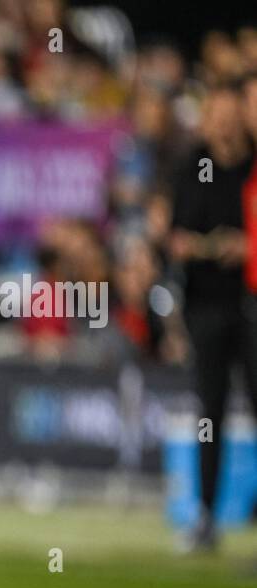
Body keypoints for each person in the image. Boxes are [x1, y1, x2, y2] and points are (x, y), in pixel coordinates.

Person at [169, 82, 257, 552]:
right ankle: (205, 516)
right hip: (207, 305)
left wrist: (244, 248)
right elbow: (177, 238)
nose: (223, 122)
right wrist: (211, 247)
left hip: (250, 303)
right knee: (211, 413)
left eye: (231, 113)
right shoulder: (194, 167)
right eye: (215, 113)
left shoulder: (252, 168)